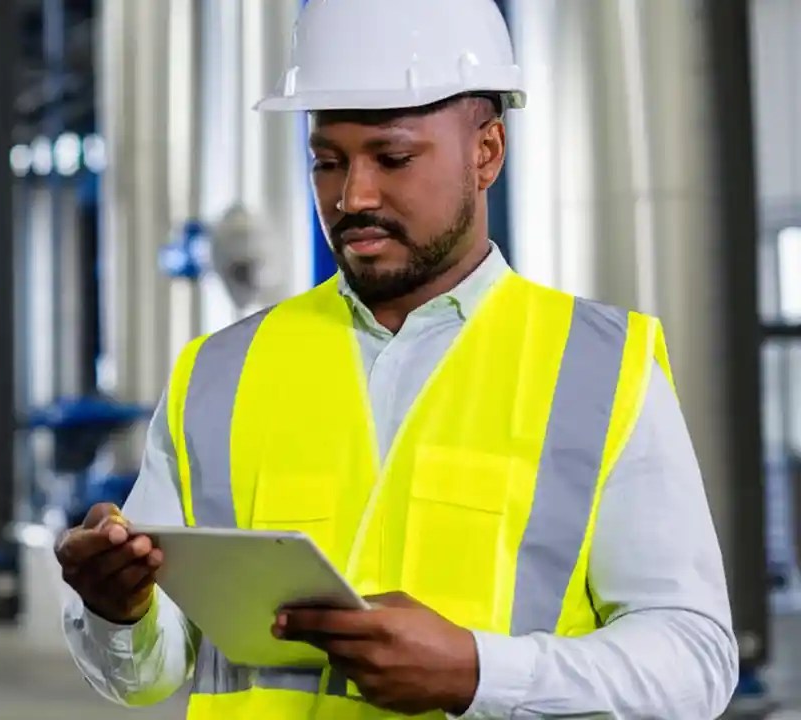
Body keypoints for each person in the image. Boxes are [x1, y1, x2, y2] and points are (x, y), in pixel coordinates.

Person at [56, 0, 738, 717]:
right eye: (327, 162)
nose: (353, 196)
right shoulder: (219, 372)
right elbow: (150, 672)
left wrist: (479, 673)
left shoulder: (600, 369)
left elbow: (693, 662)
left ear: (487, 152)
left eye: (394, 158)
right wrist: (118, 610)